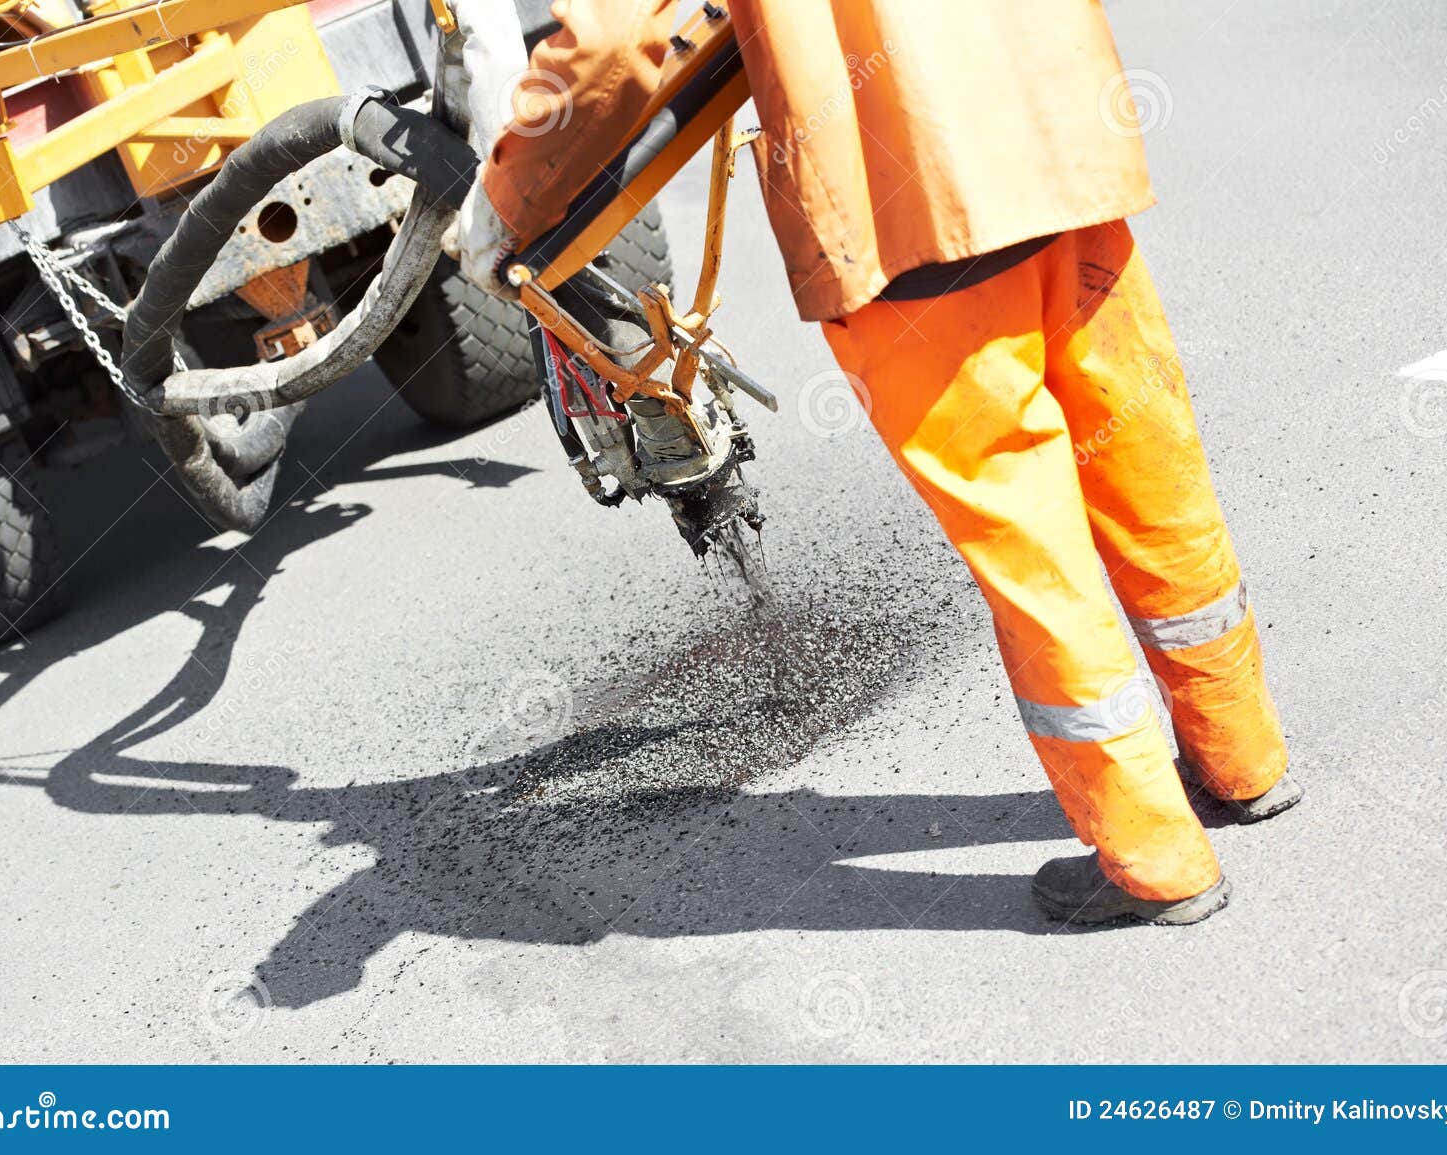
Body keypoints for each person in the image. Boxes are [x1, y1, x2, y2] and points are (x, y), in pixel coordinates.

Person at [444, 0, 1301, 925]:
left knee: (1028, 543)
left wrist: (506, 198)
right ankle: (1242, 757)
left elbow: (615, 40)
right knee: (1145, 462)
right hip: (1057, 138)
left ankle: (1155, 858)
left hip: (908, 204)